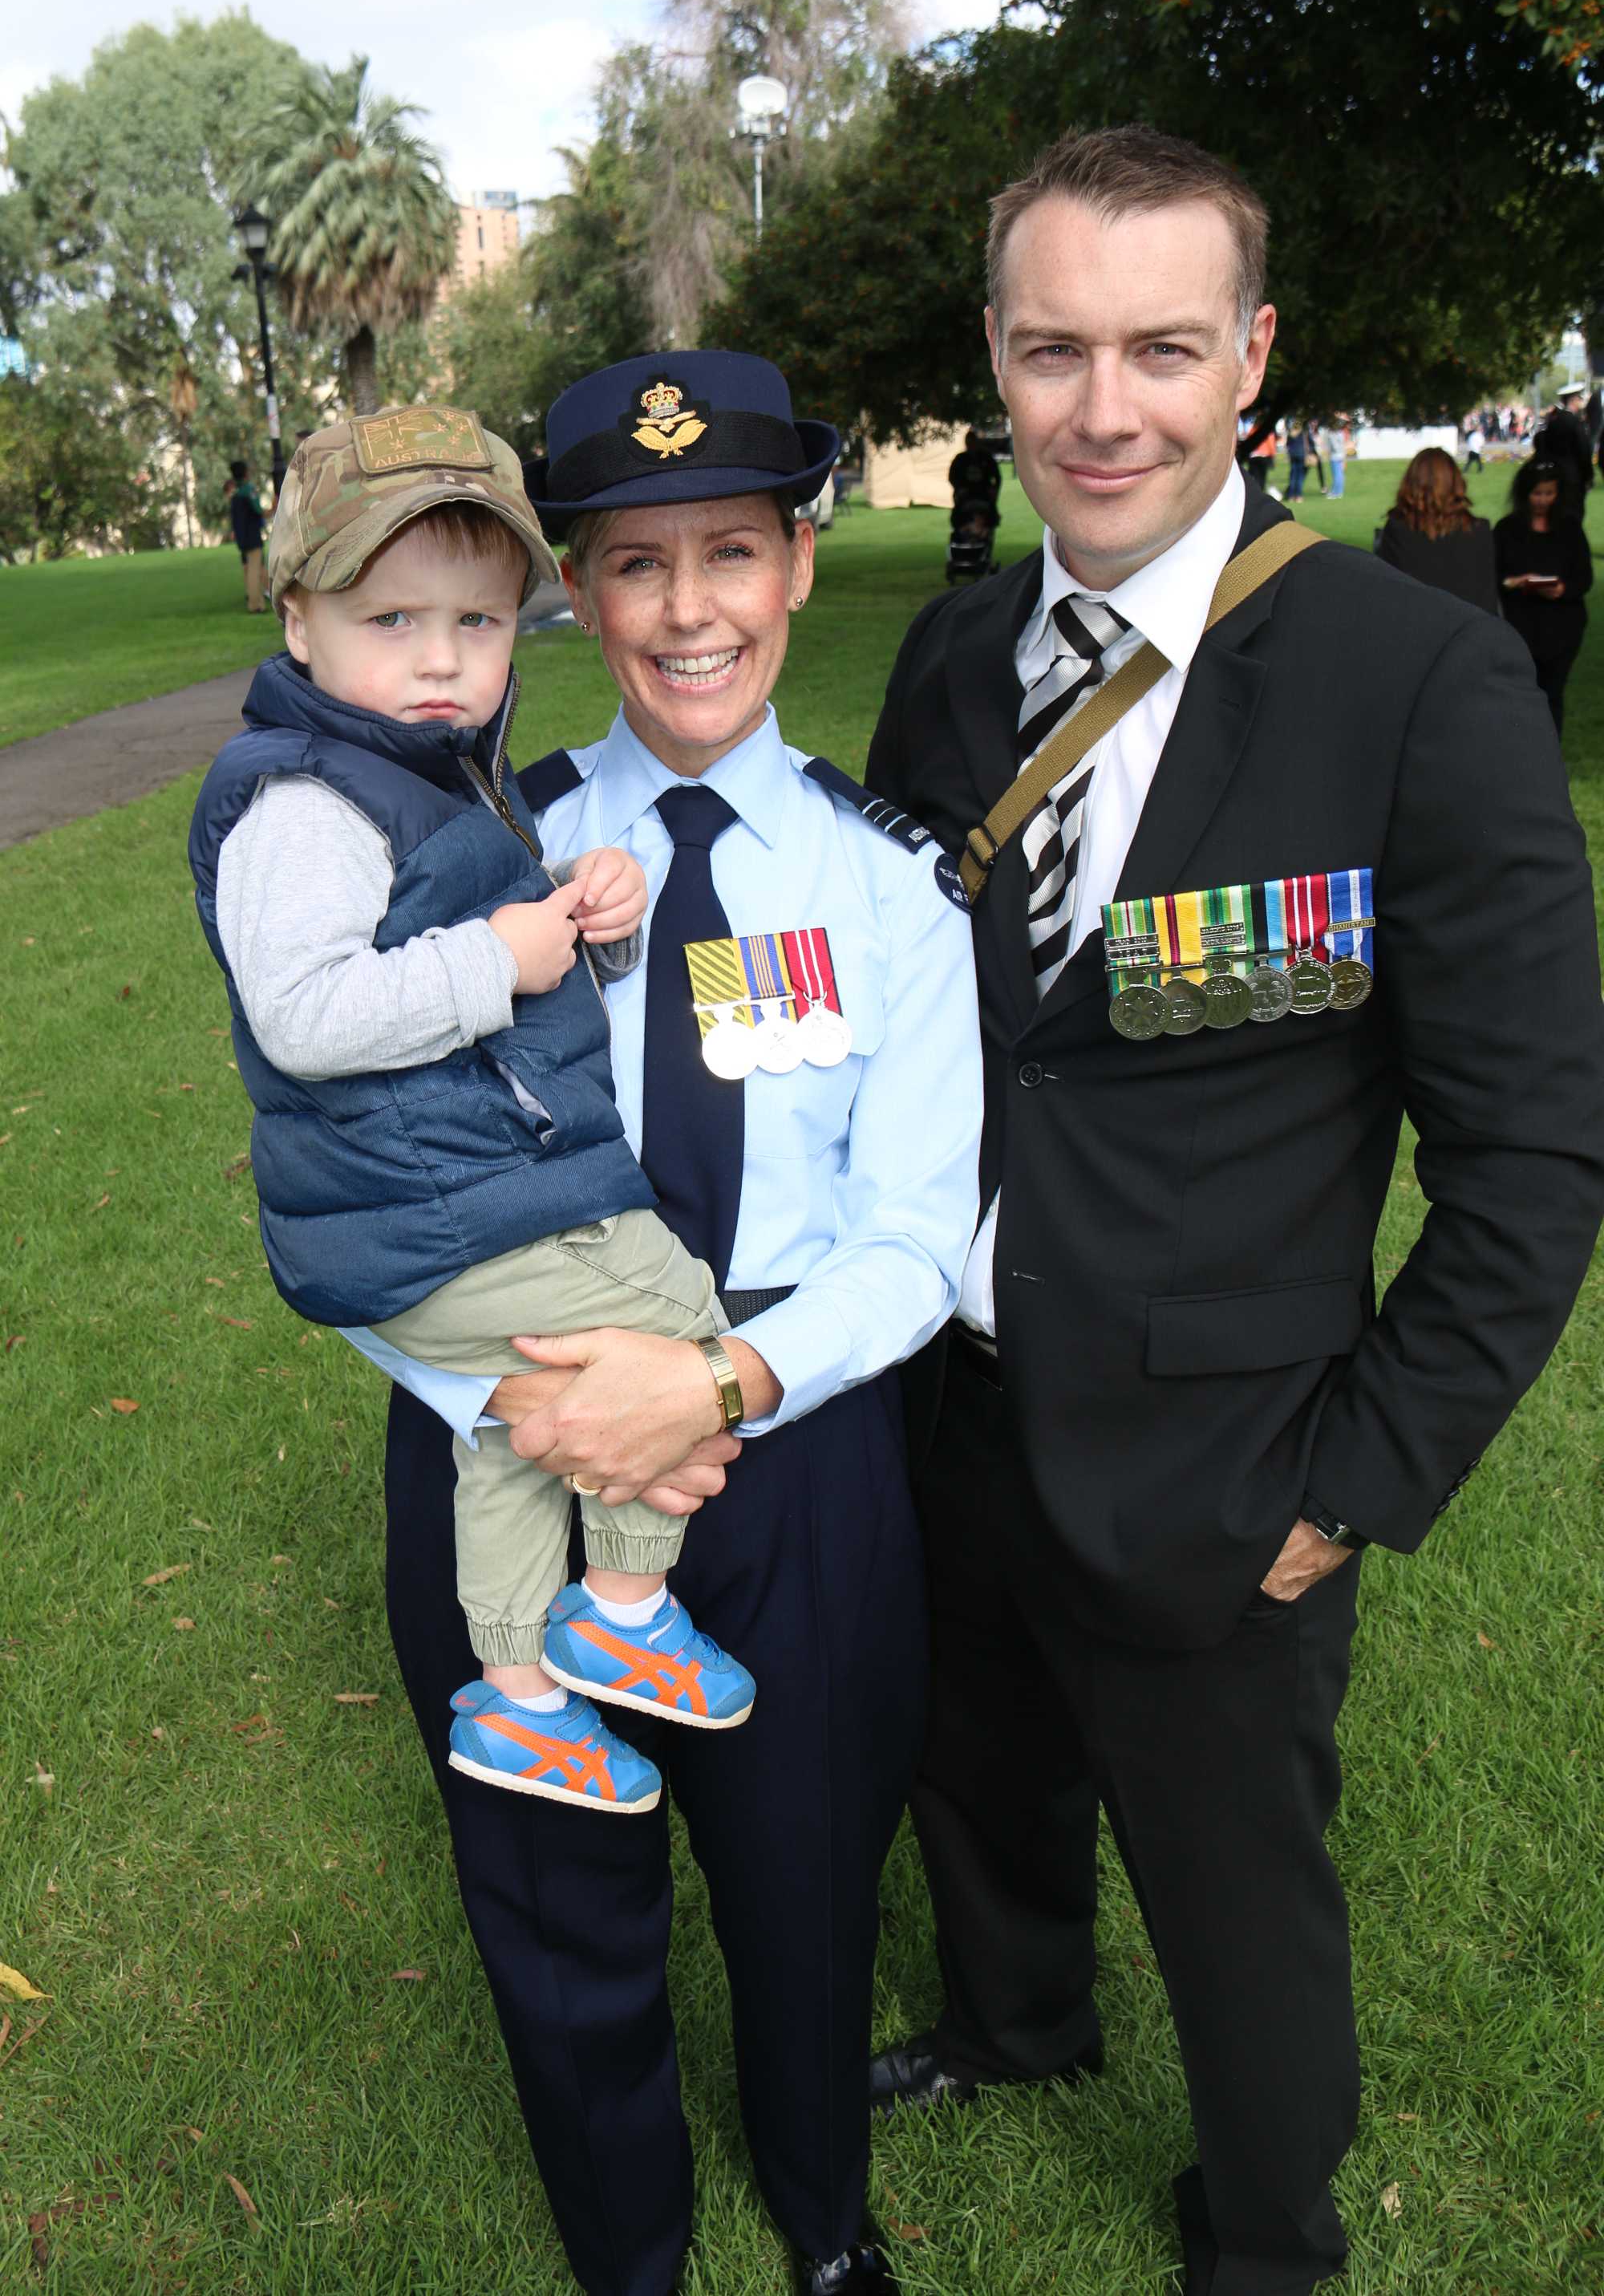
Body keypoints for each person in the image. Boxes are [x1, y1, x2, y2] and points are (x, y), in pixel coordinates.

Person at [864, 124, 1604, 2296]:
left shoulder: (1414, 678)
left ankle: (1267, 2227)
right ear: (995, 357)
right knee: (974, 1769)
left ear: (1252, 356)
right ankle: (1014, 2020)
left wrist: (1352, 1479)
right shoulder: (954, 658)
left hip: (1225, 1451)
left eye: (1162, 349)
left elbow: (1532, 1157)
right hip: (948, 1395)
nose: (1105, 408)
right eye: (1054, 349)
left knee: (1236, 1888)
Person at [346, 351, 982, 2294]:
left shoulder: (889, 888)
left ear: (798, 564)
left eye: (728, 552)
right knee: (556, 1900)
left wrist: (712, 1380)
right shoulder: (475, 864)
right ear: (575, 592)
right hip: (511, 1436)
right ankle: (628, 2251)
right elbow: (360, 1186)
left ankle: (822, 2225)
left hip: (791, 1450)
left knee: (806, 1874)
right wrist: (514, 1402)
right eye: (634, 562)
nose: (686, 609)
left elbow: (915, 1233)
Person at [189, 404, 762, 1822]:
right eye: (391, 619)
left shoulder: (427, 768)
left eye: (478, 622)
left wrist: (581, 917)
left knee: (513, 1433)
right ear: (299, 621)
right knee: (674, 1313)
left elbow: (468, 944)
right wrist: (499, 958)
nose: (441, 659)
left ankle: (515, 1695)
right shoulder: (304, 802)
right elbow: (305, 1014)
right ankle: (622, 1611)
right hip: (429, 1206)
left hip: (441, 1192)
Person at [1493, 456, 1594, 738]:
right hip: (1520, 625)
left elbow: (1584, 578)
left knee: (1552, 694)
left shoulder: (1570, 530)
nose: (1543, 500)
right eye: (1537, 493)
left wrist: (1562, 590)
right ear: (1525, 494)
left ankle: (1549, 748)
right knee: (1519, 693)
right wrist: (1516, 582)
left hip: (1562, 628)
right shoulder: (1506, 530)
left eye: (1549, 494)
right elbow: (1492, 575)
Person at [1375, 446, 1498, 614]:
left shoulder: (1398, 530)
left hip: (1425, 622)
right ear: (1456, 482)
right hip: (1468, 624)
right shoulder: (1479, 530)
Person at [226, 457, 266, 611]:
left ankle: (266, 597)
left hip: (242, 537)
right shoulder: (248, 490)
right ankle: (255, 605)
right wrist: (272, 508)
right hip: (252, 536)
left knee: (252, 568)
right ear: (246, 473)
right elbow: (258, 511)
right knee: (254, 570)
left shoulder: (235, 494)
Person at [948, 426, 1003, 509]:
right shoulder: (960, 459)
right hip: (966, 493)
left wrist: (994, 490)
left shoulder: (986, 458)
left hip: (983, 492)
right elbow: (952, 476)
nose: (971, 445)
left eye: (972, 442)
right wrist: (959, 488)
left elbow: (997, 476)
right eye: (969, 443)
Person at [1283, 416, 1309, 501]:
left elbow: (1288, 444)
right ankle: (1298, 496)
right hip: (1301, 455)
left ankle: (1291, 495)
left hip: (1293, 455)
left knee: (1293, 476)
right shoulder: (1303, 433)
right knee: (1300, 477)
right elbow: (1307, 445)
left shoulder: (1291, 434)